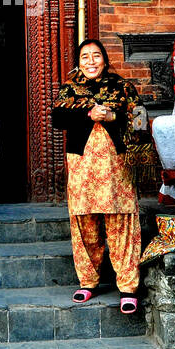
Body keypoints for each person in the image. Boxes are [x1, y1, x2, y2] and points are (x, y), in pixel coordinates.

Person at [51, 40, 143, 315]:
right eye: (85, 57)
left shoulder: (122, 86)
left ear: (104, 59)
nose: (91, 61)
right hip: (83, 164)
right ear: (79, 61)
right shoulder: (69, 88)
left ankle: (128, 286)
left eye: (96, 56)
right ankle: (88, 281)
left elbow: (140, 117)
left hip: (116, 165)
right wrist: (88, 113)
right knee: (84, 221)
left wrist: (114, 116)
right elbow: (57, 117)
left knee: (122, 220)